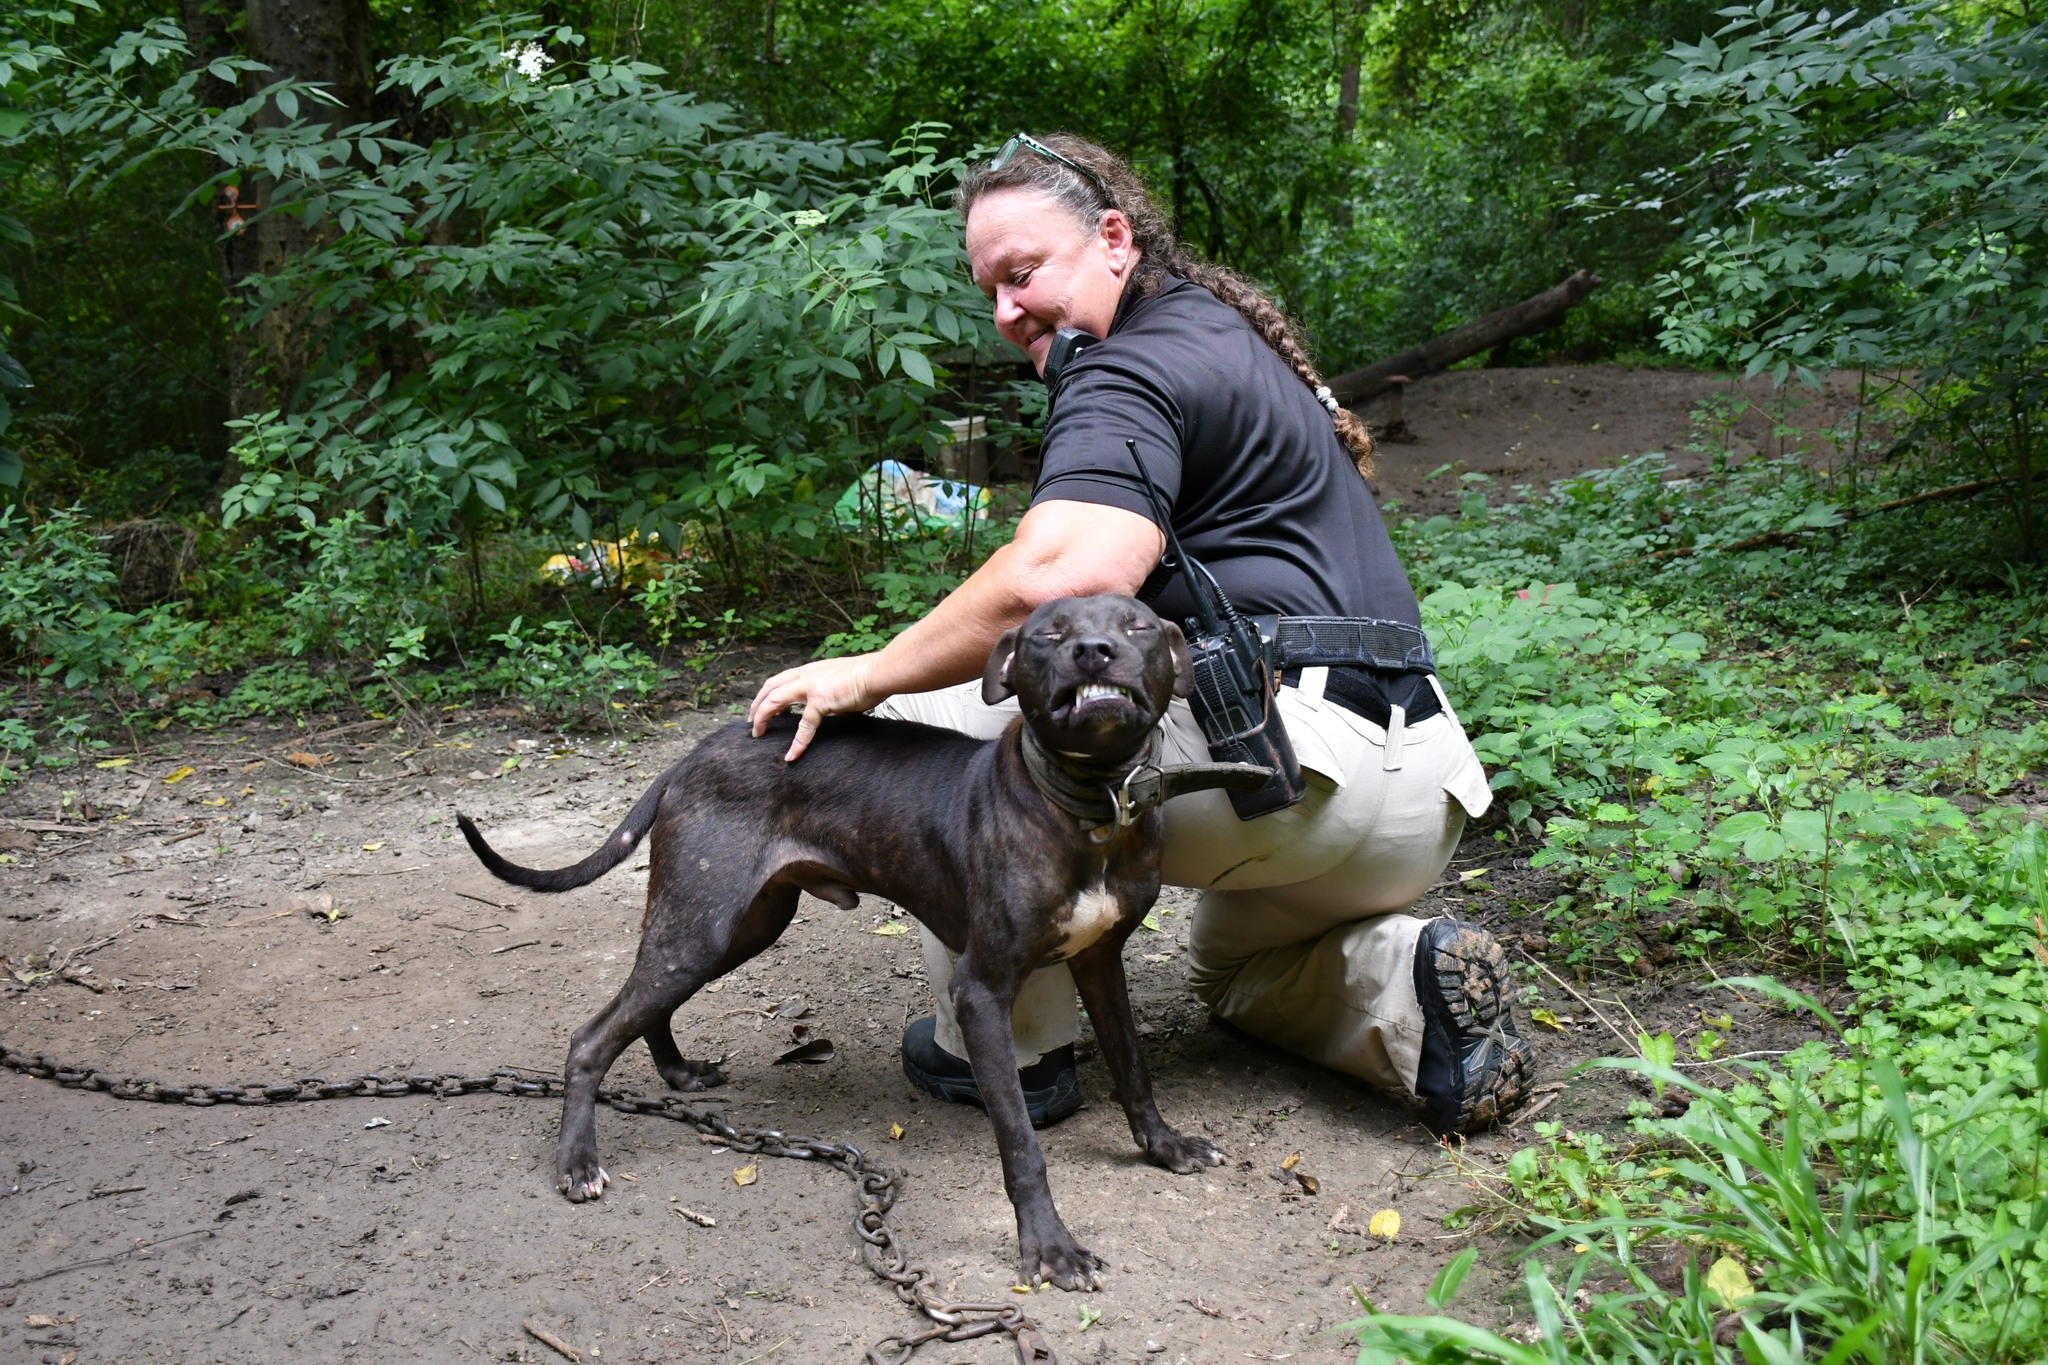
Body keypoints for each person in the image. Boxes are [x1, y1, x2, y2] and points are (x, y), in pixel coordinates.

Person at [747, 133, 1532, 1137]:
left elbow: (1067, 572)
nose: (1003, 311)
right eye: (986, 288)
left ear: (1113, 239)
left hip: (1272, 769)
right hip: (1414, 796)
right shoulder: (1226, 342)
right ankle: (1406, 995)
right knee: (1227, 967)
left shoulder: (1122, 368)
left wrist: (867, 669)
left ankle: (1015, 1045)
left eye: (1021, 273)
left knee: (908, 710)